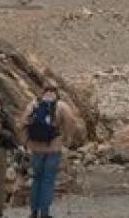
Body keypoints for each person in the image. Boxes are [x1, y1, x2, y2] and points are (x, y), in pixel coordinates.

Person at [20, 80, 77, 218]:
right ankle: (44, 213)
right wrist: (67, 140)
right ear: (56, 91)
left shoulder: (34, 104)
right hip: (53, 148)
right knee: (48, 180)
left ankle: (34, 211)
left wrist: (25, 142)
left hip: (36, 149)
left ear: (42, 90)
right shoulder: (61, 106)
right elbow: (71, 122)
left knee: (37, 179)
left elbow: (23, 123)